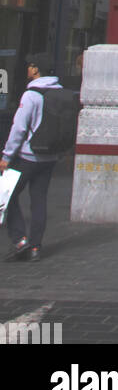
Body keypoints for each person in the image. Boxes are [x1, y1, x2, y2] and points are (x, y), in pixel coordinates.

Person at [1, 53, 65, 262]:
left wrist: (6, 156)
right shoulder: (60, 93)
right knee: (39, 201)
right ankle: (36, 248)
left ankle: (20, 240)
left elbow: (19, 129)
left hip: (27, 157)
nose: (28, 68)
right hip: (50, 157)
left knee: (6, 196)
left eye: (30, 65)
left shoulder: (31, 95)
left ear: (37, 70)